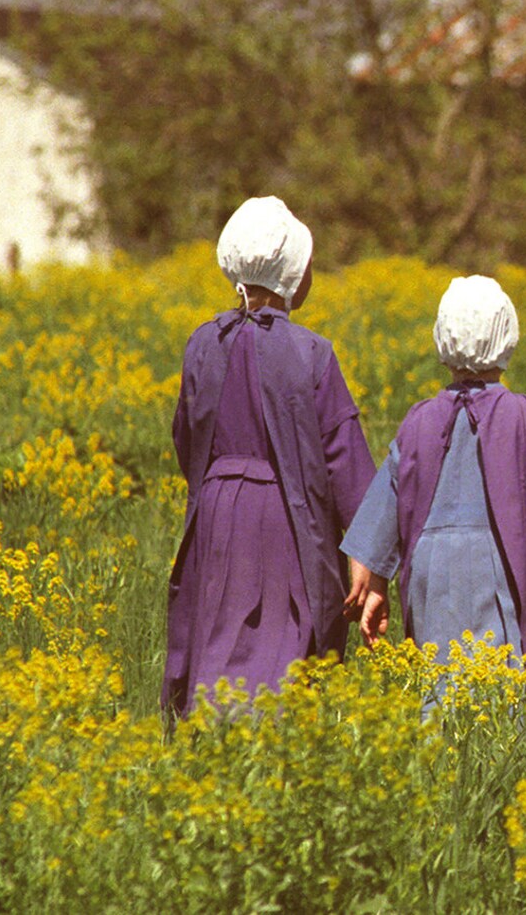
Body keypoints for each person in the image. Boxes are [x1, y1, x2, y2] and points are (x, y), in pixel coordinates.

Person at [162, 196, 376, 718]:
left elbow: (186, 438)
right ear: (291, 276)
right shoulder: (311, 352)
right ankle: (273, 749)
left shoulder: (202, 344)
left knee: (217, 631)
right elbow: (343, 456)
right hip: (282, 516)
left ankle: (211, 738)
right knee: (283, 640)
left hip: (214, 513)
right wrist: (366, 552)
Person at [341, 276, 526, 671]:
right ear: (507, 339)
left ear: (442, 343)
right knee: (500, 677)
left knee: (436, 671)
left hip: (431, 570)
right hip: (496, 561)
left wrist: (374, 581)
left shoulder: (418, 421)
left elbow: (378, 520)